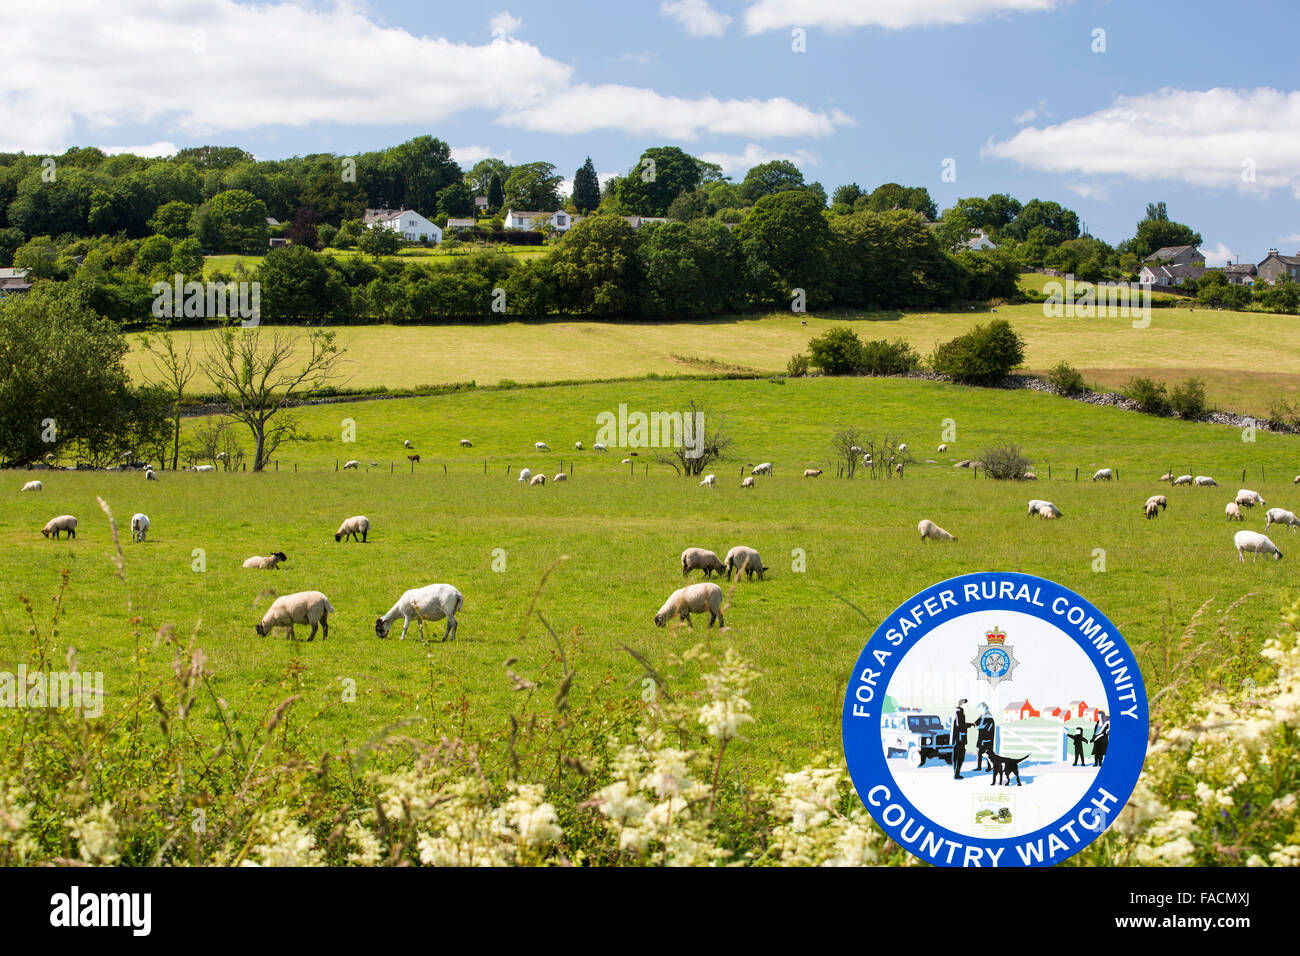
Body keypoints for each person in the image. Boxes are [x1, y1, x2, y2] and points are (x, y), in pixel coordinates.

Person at [950, 699, 972, 779]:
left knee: (955, 756)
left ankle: (956, 772)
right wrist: (970, 725)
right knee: (960, 756)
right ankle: (956, 774)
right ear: (962, 704)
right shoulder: (959, 712)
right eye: (966, 704)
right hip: (959, 739)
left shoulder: (956, 711)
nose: (967, 706)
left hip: (956, 739)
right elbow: (960, 725)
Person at [974, 703, 996, 771]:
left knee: (987, 753)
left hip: (986, 739)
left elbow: (985, 728)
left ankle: (989, 767)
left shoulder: (988, 716)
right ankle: (980, 767)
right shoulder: (983, 715)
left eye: (979, 709)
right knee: (981, 752)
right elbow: (976, 723)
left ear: (983, 708)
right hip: (983, 738)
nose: (978, 710)